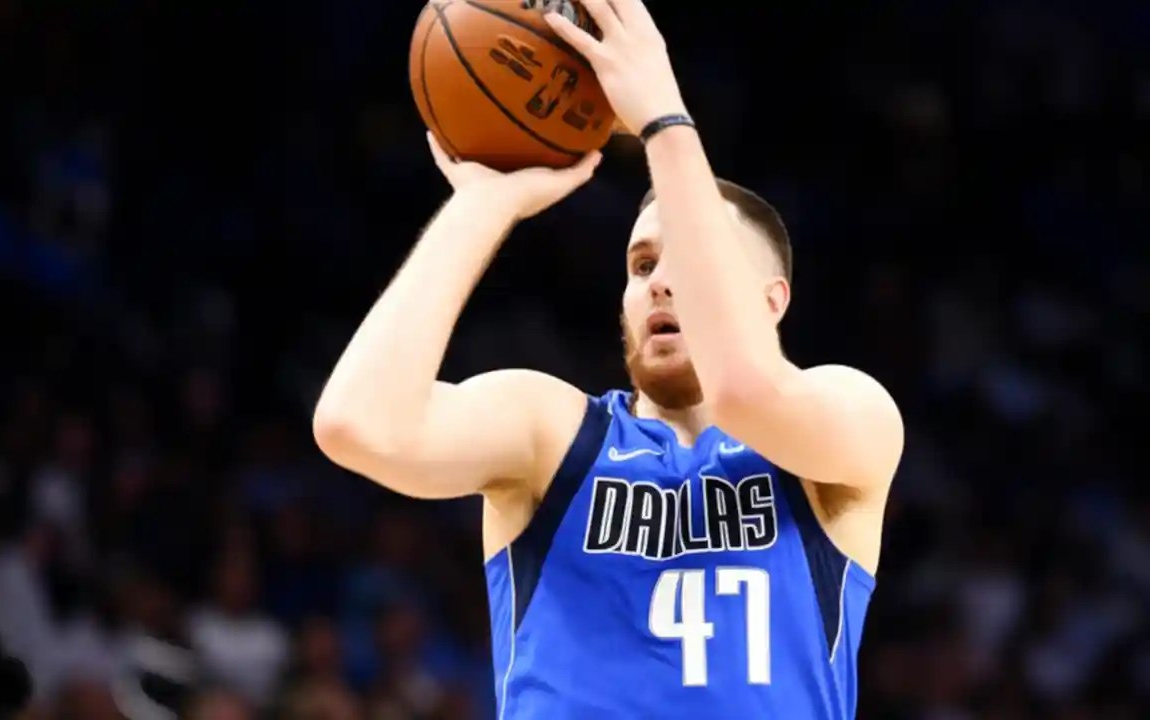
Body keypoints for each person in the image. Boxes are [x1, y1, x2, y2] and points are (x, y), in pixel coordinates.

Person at [313, 0, 904, 717]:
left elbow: (747, 389)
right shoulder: (552, 432)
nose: (659, 278)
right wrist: (484, 204)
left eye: (689, 253)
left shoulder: (847, 422)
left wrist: (664, 118)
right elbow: (357, 424)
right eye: (641, 262)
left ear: (772, 300)